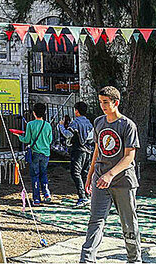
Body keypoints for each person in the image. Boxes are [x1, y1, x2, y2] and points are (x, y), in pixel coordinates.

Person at [81, 86, 142, 264]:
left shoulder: (127, 125)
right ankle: (86, 260)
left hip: (123, 182)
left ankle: (134, 259)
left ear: (116, 102)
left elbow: (129, 156)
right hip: (100, 180)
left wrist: (110, 174)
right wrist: (90, 174)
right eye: (100, 102)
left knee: (128, 223)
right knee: (96, 220)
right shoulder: (99, 122)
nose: (102, 106)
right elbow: (97, 150)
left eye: (106, 102)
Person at [58, 101, 94, 206]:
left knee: (75, 173)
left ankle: (82, 196)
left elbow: (68, 134)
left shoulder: (75, 122)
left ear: (77, 111)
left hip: (78, 150)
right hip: (88, 150)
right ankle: (87, 195)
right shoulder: (89, 123)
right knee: (85, 173)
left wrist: (61, 127)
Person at [18, 102, 53, 205]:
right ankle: (46, 194)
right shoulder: (48, 125)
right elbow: (50, 140)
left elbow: (27, 139)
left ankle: (36, 199)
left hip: (35, 153)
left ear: (34, 113)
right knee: (44, 174)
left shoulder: (30, 124)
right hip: (46, 153)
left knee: (35, 176)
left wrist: (18, 136)